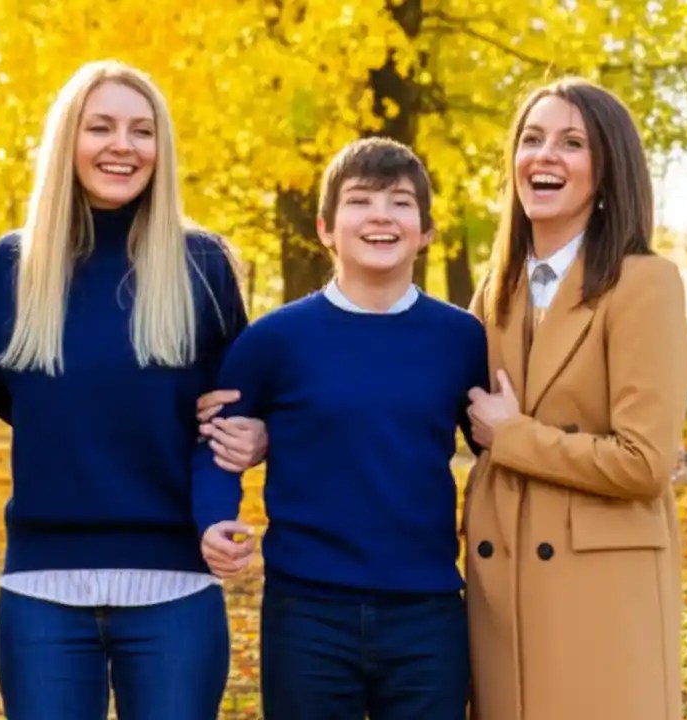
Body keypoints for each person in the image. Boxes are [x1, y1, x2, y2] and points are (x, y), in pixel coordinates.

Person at [0, 60, 264, 720]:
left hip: (176, 589)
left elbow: (230, 420)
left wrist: (225, 500)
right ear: (68, 140)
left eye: (141, 130)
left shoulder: (203, 266)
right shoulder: (11, 266)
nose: (122, 146)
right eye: (100, 127)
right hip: (41, 590)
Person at [193, 137, 487, 719]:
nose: (380, 215)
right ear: (327, 227)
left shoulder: (462, 338)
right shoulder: (277, 339)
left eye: (400, 203)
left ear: (426, 231)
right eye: (360, 201)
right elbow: (219, 441)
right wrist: (215, 519)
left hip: (427, 610)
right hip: (307, 610)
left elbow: (500, 445)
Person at [463, 77, 687, 720]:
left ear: (607, 170)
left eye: (571, 143)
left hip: (601, 588)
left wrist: (513, 438)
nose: (545, 156)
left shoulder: (645, 284)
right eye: (531, 139)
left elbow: (643, 464)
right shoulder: (494, 291)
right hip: (501, 580)